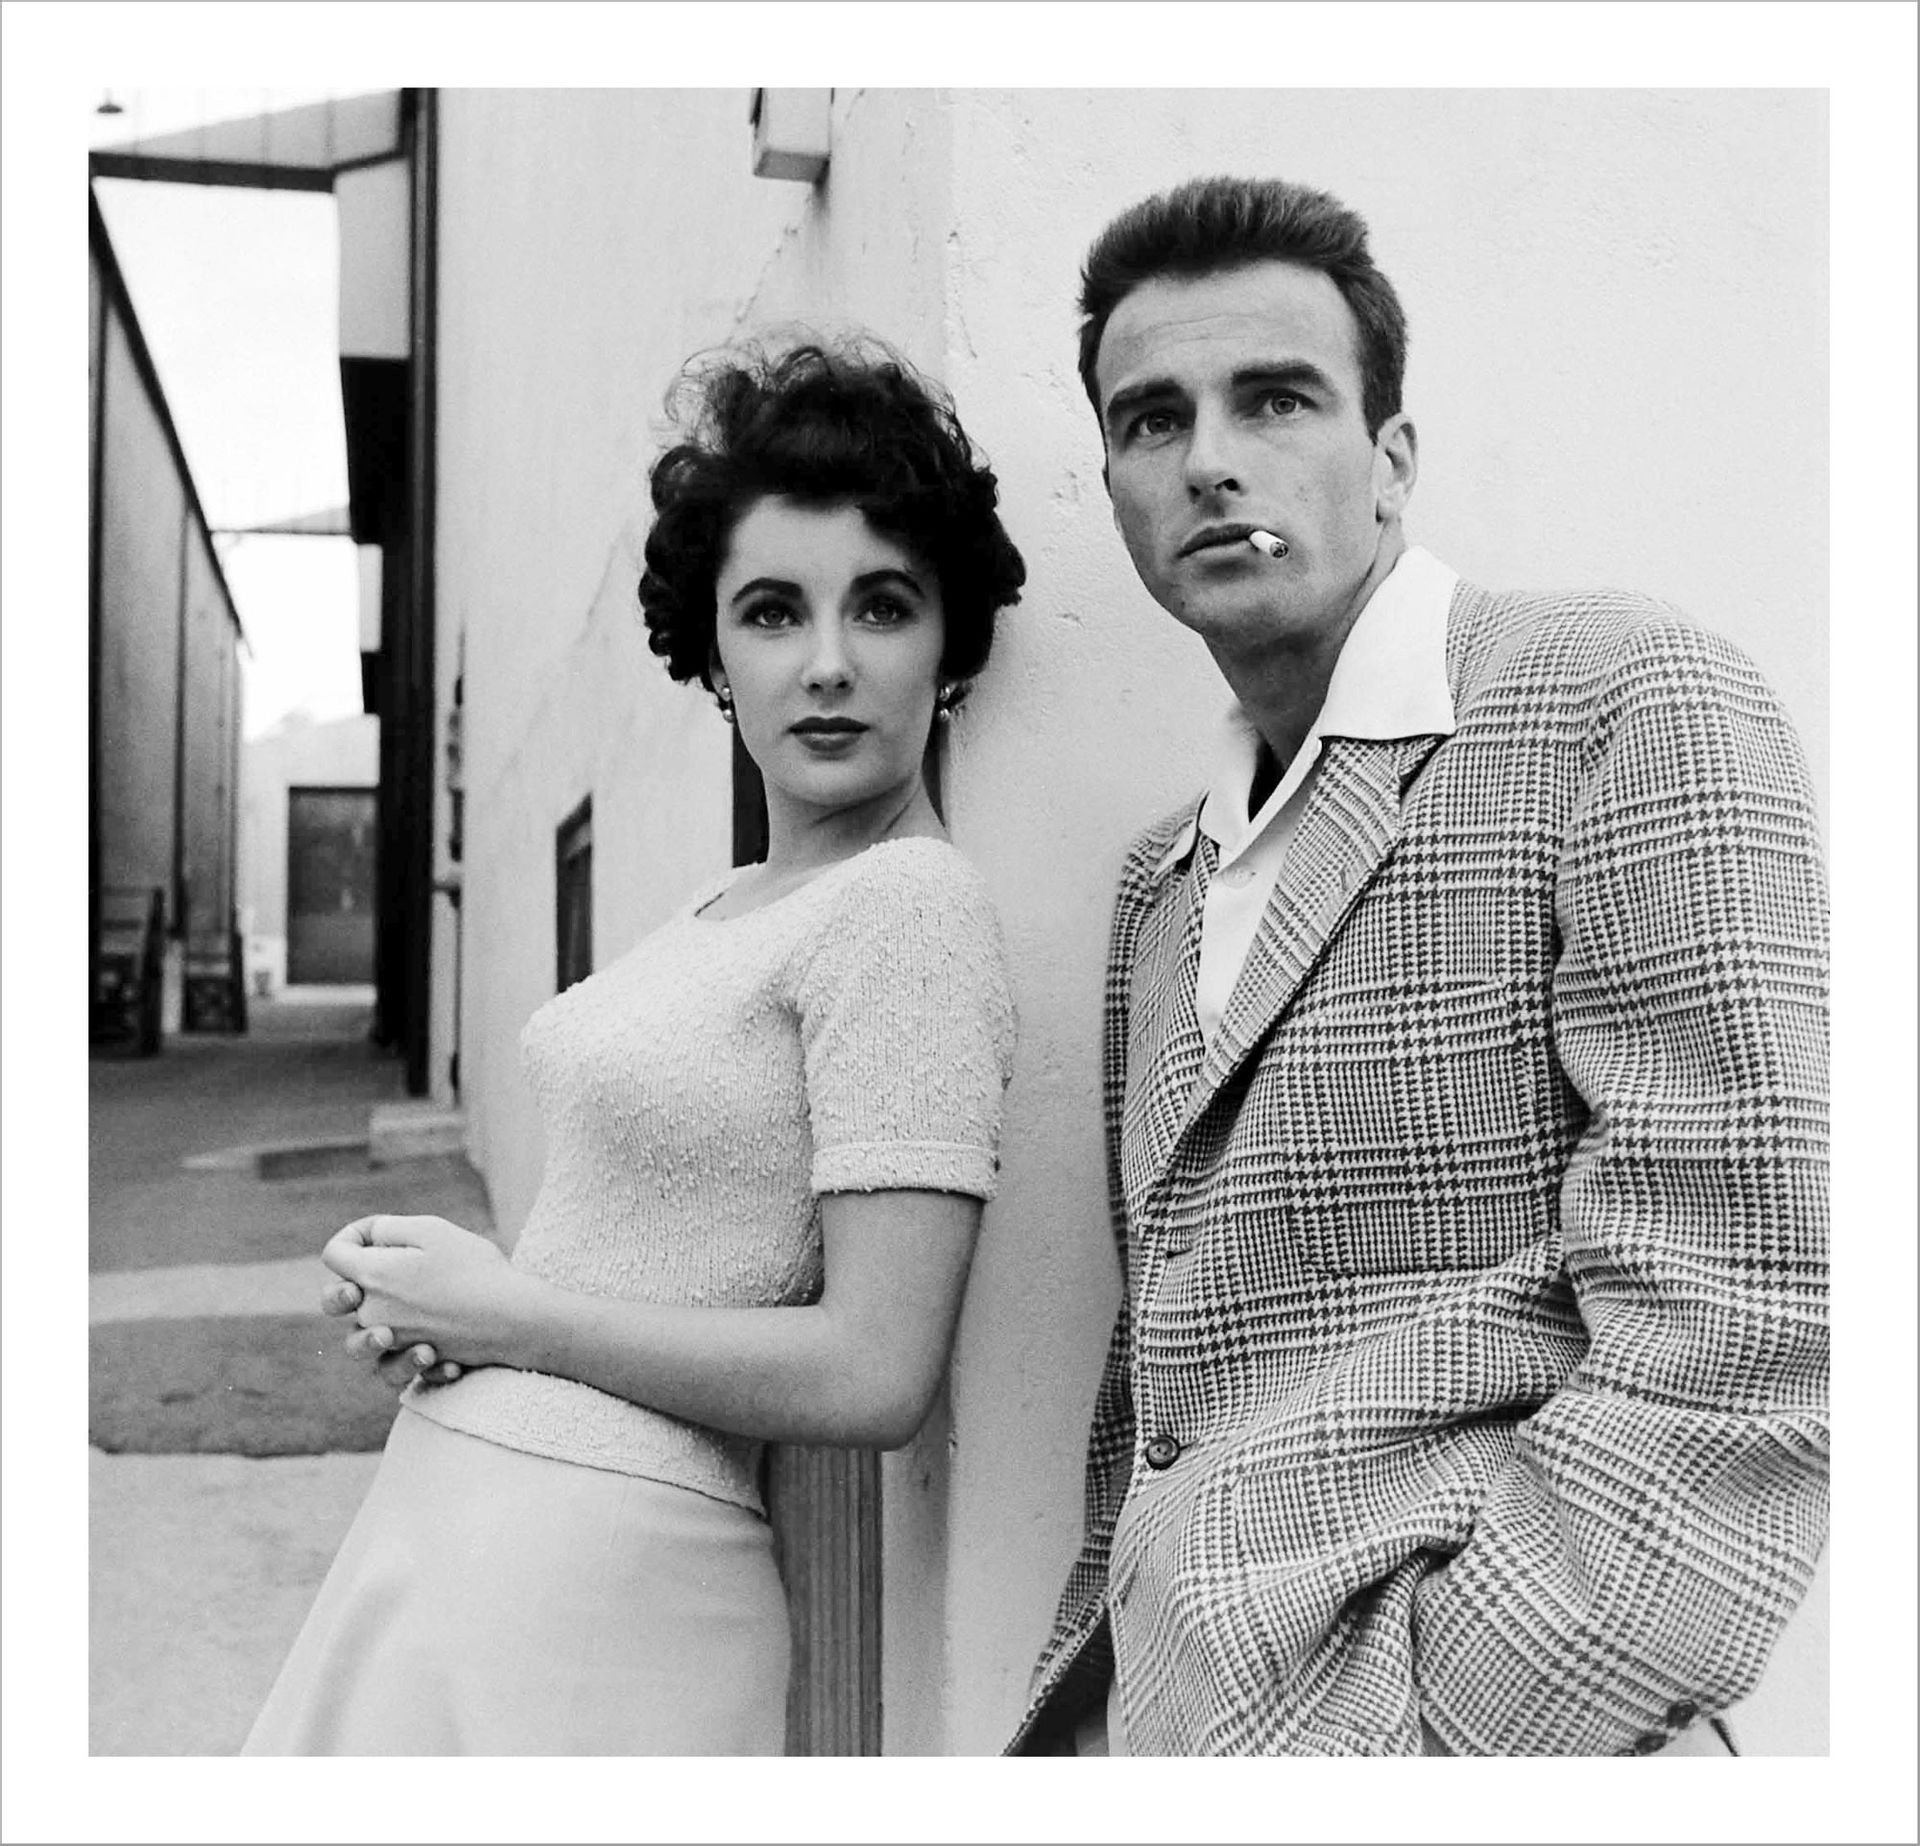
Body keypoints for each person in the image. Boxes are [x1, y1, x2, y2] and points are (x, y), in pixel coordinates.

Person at [1011, 176, 1829, 1757]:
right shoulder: (1159, 887)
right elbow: (1167, 1389)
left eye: (1276, 397)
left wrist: (1440, 1734)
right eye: (1151, 419)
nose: (1213, 459)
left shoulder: (1618, 701)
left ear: (1390, 460)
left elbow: (1758, 1318)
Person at [243, 338, 1026, 1755]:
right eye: (776, 613)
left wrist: (506, 1316)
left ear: (951, 642)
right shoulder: (724, 906)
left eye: (886, 607)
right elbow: (630, 1243)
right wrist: (441, 1300)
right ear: (716, 655)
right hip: (458, 1530)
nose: (830, 664)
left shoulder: (910, 905)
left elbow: (876, 1369)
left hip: (612, 1582)